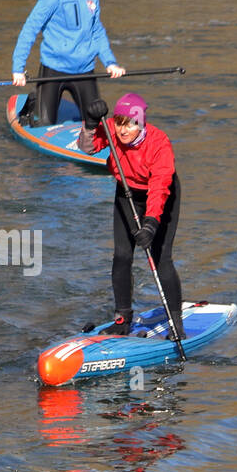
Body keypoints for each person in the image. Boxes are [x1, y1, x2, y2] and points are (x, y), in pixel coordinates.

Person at [78, 92, 184, 339]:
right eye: (119, 123)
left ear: (141, 122)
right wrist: (91, 124)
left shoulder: (159, 143)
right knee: (122, 256)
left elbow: (160, 186)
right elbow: (87, 147)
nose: (123, 130)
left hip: (160, 197)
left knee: (160, 259)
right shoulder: (113, 131)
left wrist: (151, 224)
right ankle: (122, 320)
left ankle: (176, 323)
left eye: (130, 124)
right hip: (126, 193)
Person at [11, 0, 126, 126]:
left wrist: (110, 62)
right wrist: (18, 68)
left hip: (84, 70)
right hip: (53, 70)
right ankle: (34, 103)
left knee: (95, 124)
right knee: (42, 125)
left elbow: (97, 31)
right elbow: (29, 30)